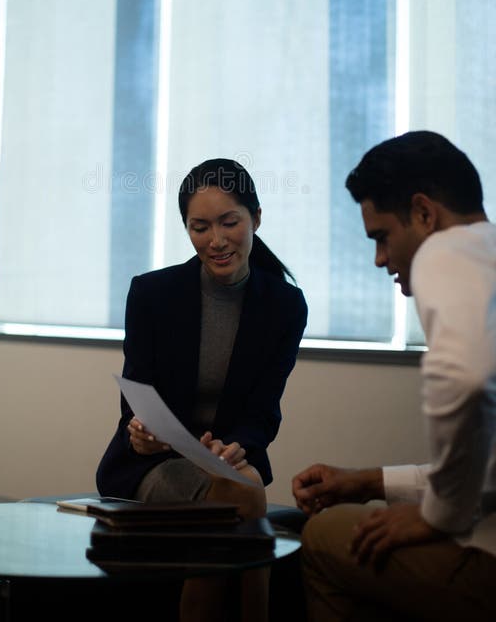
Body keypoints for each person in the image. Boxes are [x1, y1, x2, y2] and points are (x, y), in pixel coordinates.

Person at [291, 130, 496, 622]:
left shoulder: (445, 251)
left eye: (381, 237)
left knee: (324, 536)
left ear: (424, 214)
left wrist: (438, 516)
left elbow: (465, 380)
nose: (380, 260)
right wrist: (366, 482)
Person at [97, 157, 308, 622]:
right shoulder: (152, 294)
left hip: (228, 461)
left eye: (229, 222)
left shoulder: (284, 305)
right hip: (154, 463)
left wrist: (238, 445)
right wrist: (141, 433)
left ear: (256, 218)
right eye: (200, 227)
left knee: (238, 485)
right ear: (187, 229)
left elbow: (264, 410)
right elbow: (136, 396)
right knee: (243, 493)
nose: (216, 240)